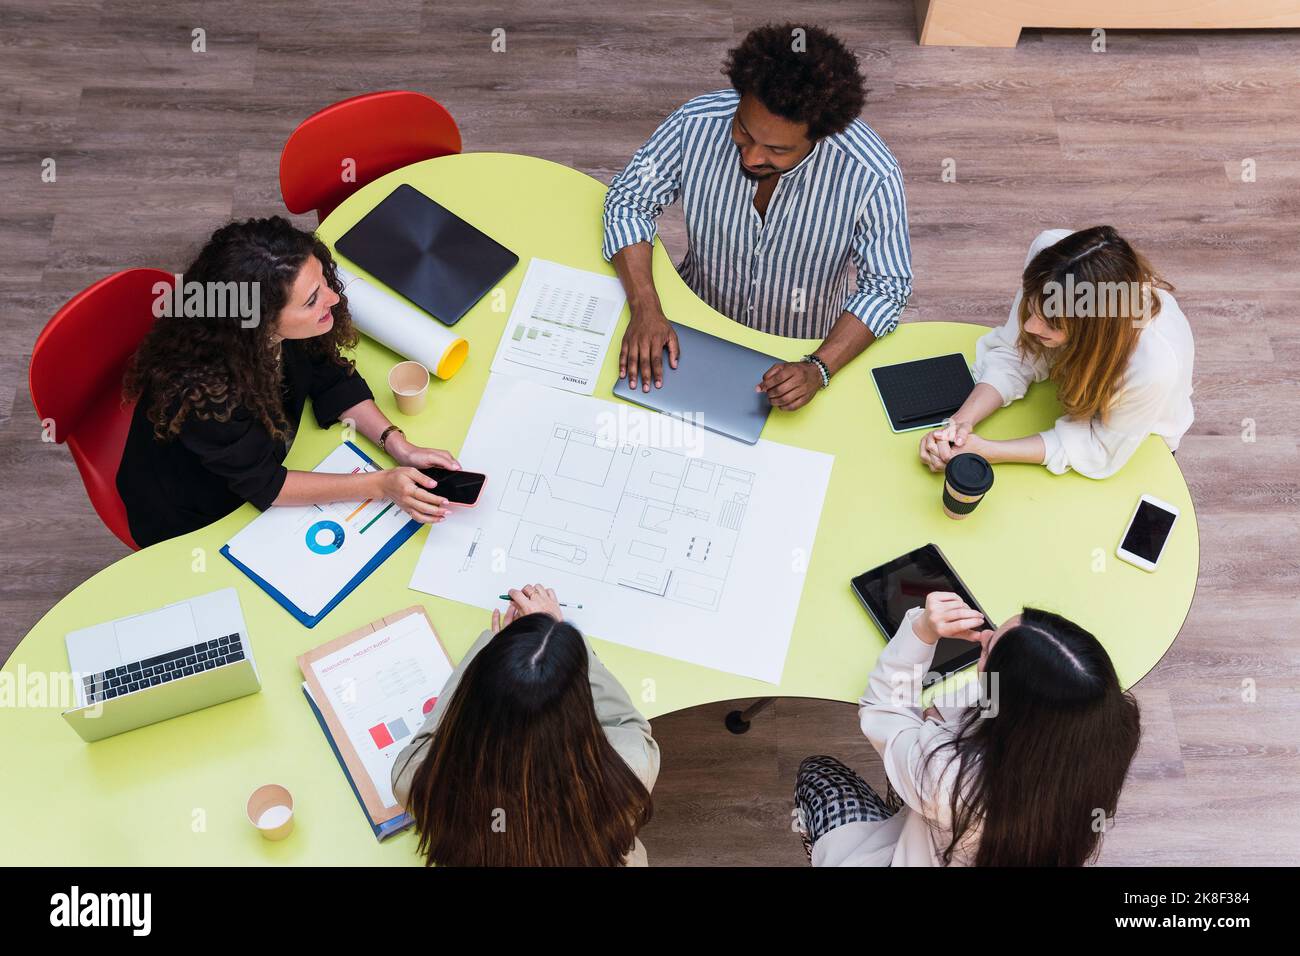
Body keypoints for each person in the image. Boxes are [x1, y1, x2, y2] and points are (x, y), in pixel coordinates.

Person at [603, 22, 912, 411]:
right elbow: (629, 200)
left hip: (801, 346)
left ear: (820, 135)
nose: (750, 157)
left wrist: (819, 368)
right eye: (743, 132)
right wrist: (646, 306)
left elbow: (886, 287)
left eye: (776, 150)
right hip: (691, 322)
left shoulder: (871, 173)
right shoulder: (695, 124)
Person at [117, 216, 460, 547]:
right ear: (260, 322)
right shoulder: (205, 395)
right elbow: (267, 485)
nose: (333, 298)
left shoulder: (274, 331)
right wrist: (381, 485)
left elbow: (330, 376)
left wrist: (397, 444)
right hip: (194, 507)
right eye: (312, 300)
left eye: (324, 280)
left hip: (260, 455)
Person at [794, 591, 1141, 866]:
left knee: (816, 772)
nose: (984, 636)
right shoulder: (1108, 726)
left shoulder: (950, 779)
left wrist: (921, 631)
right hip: (951, 819)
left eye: (989, 648)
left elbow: (884, 707)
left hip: (929, 822)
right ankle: (907, 795)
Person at [391, 584, 659, 866]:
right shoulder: (632, 767)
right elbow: (626, 722)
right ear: (578, 706)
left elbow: (435, 733)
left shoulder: (418, 779)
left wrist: (492, 648)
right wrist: (564, 646)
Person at [920, 226, 1194, 479]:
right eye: (1032, 308)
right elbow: (1017, 354)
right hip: (1073, 394)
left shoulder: (1154, 366)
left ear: (1094, 331)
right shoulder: (1050, 259)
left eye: (1051, 323)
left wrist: (989, 451)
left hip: (1134, 438)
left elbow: (1098, 449)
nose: (1028, 325)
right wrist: (958, 425)